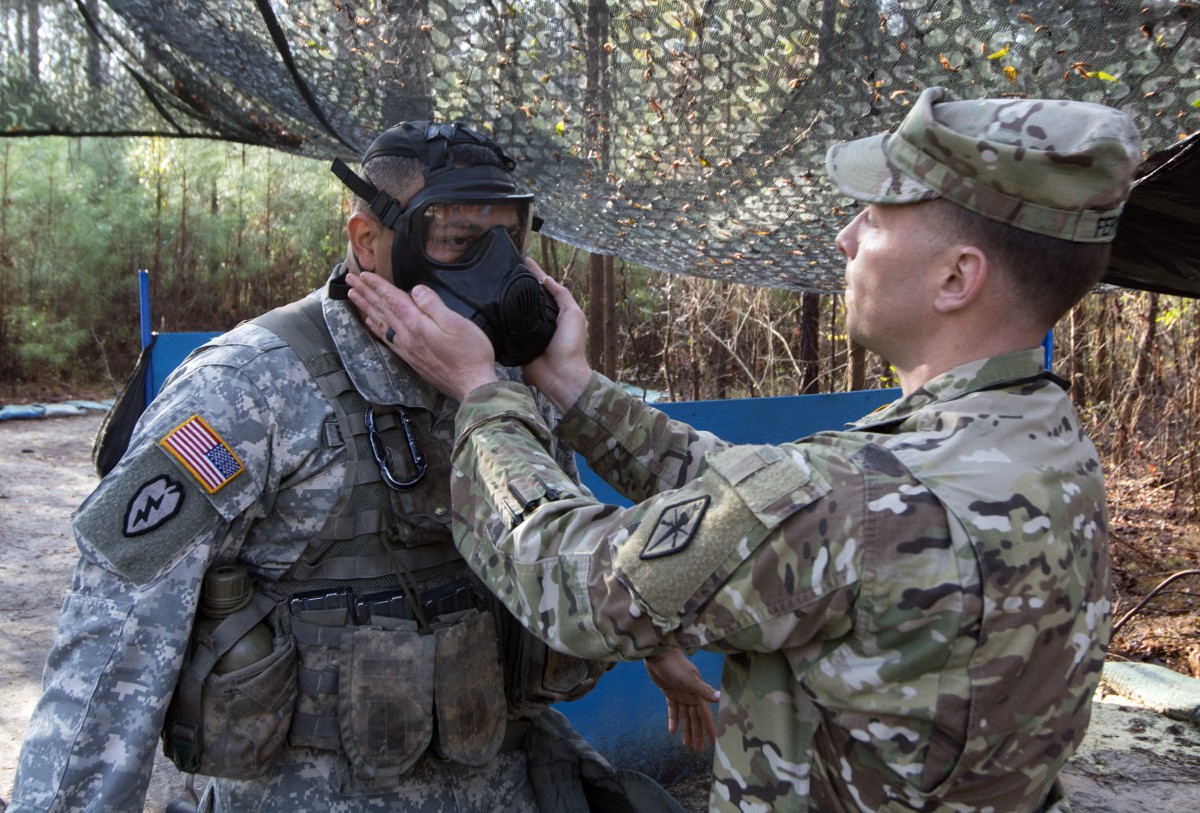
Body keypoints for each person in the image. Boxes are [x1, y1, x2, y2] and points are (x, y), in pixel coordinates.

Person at [345, 87, 1142, 812]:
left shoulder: (857, 496)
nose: (846, 236)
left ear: (955, 277)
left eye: (877, 214)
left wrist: (484, 394)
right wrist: (576, 392)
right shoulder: (1039, 440)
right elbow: (756, 505)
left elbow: (579, 584)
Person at [9, 121, 710, 813]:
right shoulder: (247, 388)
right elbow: (110, 654)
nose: (496, 269)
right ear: (367, 241)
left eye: (508, 238)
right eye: (460, 241)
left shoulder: (510, 375)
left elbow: (557, 539)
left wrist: (644, 640)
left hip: (503, 776)